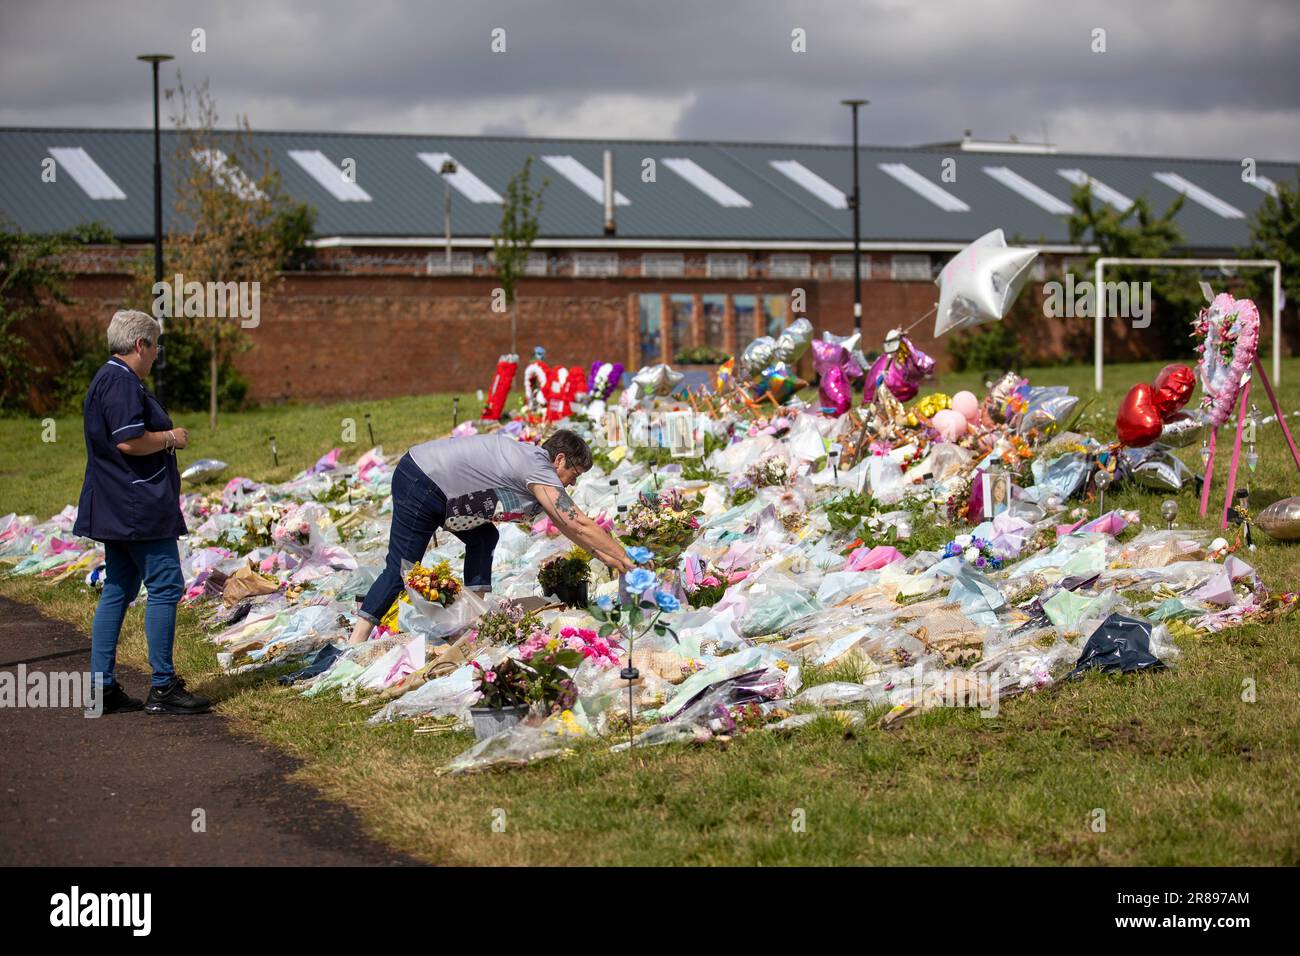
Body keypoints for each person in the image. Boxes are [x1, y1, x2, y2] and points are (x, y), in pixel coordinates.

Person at [349, 429, 634, 644]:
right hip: (421, 481)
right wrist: (627, 557)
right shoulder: (537, 467)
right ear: (559, 459)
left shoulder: (534, 465)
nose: (574, 482)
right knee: (402, 569)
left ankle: (472, 621)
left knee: (484, 538)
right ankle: (355, 643)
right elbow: (577, 523)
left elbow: (568, 527)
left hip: (443, 492)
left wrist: (611, 559)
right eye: (575, 473)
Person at [74, 310, 211, 716]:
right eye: (155, 346)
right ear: (140, 345)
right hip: (138, 506)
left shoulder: (110, 378)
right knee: (167, 586)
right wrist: (172, 437)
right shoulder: (120, 382)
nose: (156, 355)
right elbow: (129, 441)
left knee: (118, 588)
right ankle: (163, 686)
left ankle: (102, 687)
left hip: (117, 504)